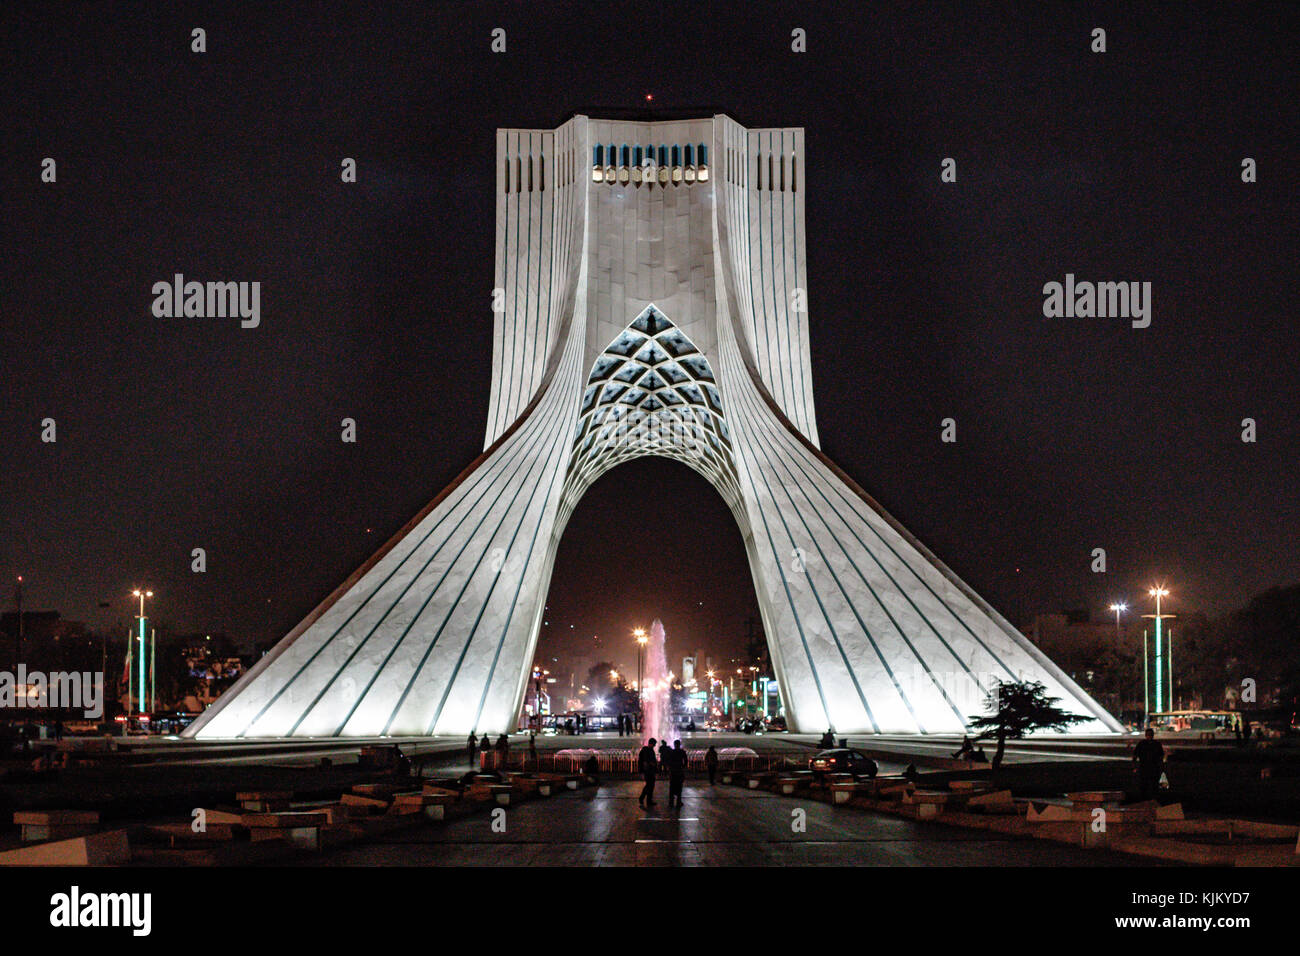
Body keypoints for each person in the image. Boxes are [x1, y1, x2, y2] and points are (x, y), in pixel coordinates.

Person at [1133, 728, 1165, 800]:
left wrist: (1134, 766)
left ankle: (1144, 800)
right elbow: (1161, 756)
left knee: (1144, 785)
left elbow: (1135, 755)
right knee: (1153, 785)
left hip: (1144, 767)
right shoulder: (1157, 744)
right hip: (1153, 768)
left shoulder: (1142, 744)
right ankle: (1153, 799)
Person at [638, 738, 659, 807]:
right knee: (649, 785)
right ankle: (644, 799)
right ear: (651, 743)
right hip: (648, 771)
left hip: (650, 771)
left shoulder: (649, 750)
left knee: (650, 785)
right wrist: (651, 764)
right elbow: (646, 760)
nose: (655, 745)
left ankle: (647, 800)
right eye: (654, 744)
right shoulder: (647, 750)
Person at [667, 739, 688, 807]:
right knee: (679, 787)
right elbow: (685, 761)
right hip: (679, 771)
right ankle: (678, 802)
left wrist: (670, 768)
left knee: (672, 786)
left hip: (673, 771)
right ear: (679, 745)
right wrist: (683, 767)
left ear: (674, 745)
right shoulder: (682, 752)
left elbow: (669, 761)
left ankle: (671, 802)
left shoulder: (671, 752)